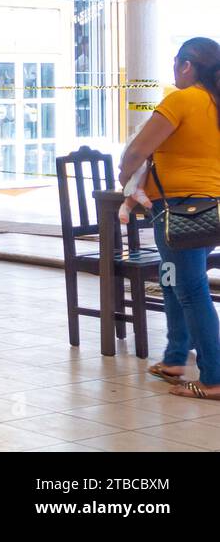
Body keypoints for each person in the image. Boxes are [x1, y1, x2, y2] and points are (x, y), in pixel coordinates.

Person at [118, 37, 220, 399]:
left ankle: (213, 379)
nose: (173, 69)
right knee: (172, 276)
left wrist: (125, 178)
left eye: (176, 63)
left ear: (187, 65)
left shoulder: (182, 99)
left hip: (180, 209)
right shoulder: (215, 101)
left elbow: (138, 149)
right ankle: (175, 357)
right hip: (212, 206)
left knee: (191, 289)